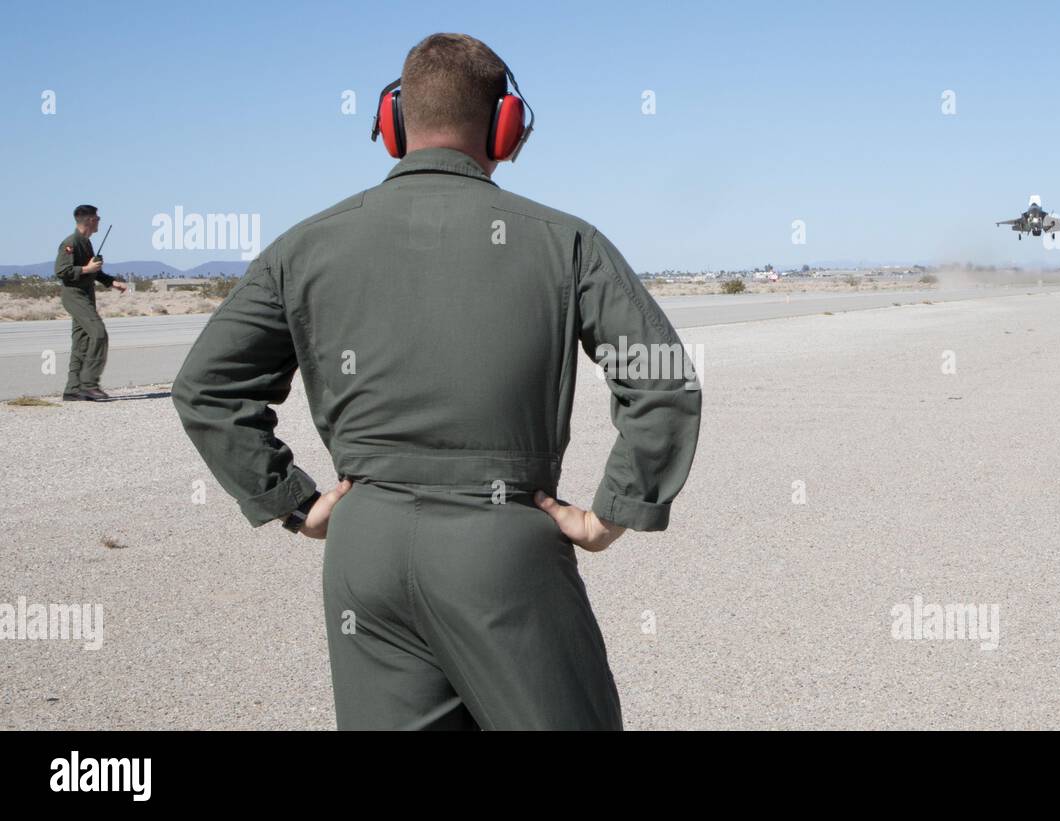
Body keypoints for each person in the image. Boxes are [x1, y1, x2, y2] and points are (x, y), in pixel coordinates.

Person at [172, 33, 702, 730]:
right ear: (505, 127)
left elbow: (206, 385)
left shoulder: (304, 245)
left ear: (393, 123)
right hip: (504, 549)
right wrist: (610, 514)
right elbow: (663, 380)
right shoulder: (565, 241)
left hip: (364, 550)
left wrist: (296, 502)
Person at [56, 205, 126, 401]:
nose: (99, 220)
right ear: (89, 221)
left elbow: (94, 271)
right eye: (97, 217)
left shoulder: (86, 243)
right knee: (98, 333)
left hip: (85, 296)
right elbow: (62, 271)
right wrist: (87, 269)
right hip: (74, 295)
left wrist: (111, 282)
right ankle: (89, 384)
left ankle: (73, 388)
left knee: (82, 341)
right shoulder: (71, 243)